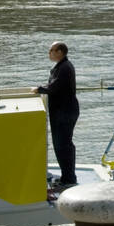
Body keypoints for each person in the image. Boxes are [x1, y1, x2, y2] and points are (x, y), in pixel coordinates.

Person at [31, 42, 79, 191]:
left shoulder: (65, 67)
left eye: (51, 50)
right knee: (60, 145)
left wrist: (39, 89)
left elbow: (54, 87)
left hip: (65, 113)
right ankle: (66, 177)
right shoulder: (60, 66)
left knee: (63, 145)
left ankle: (69, 179)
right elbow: (53, 85)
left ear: (60, 52)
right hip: (61, 112)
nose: (49, 53)